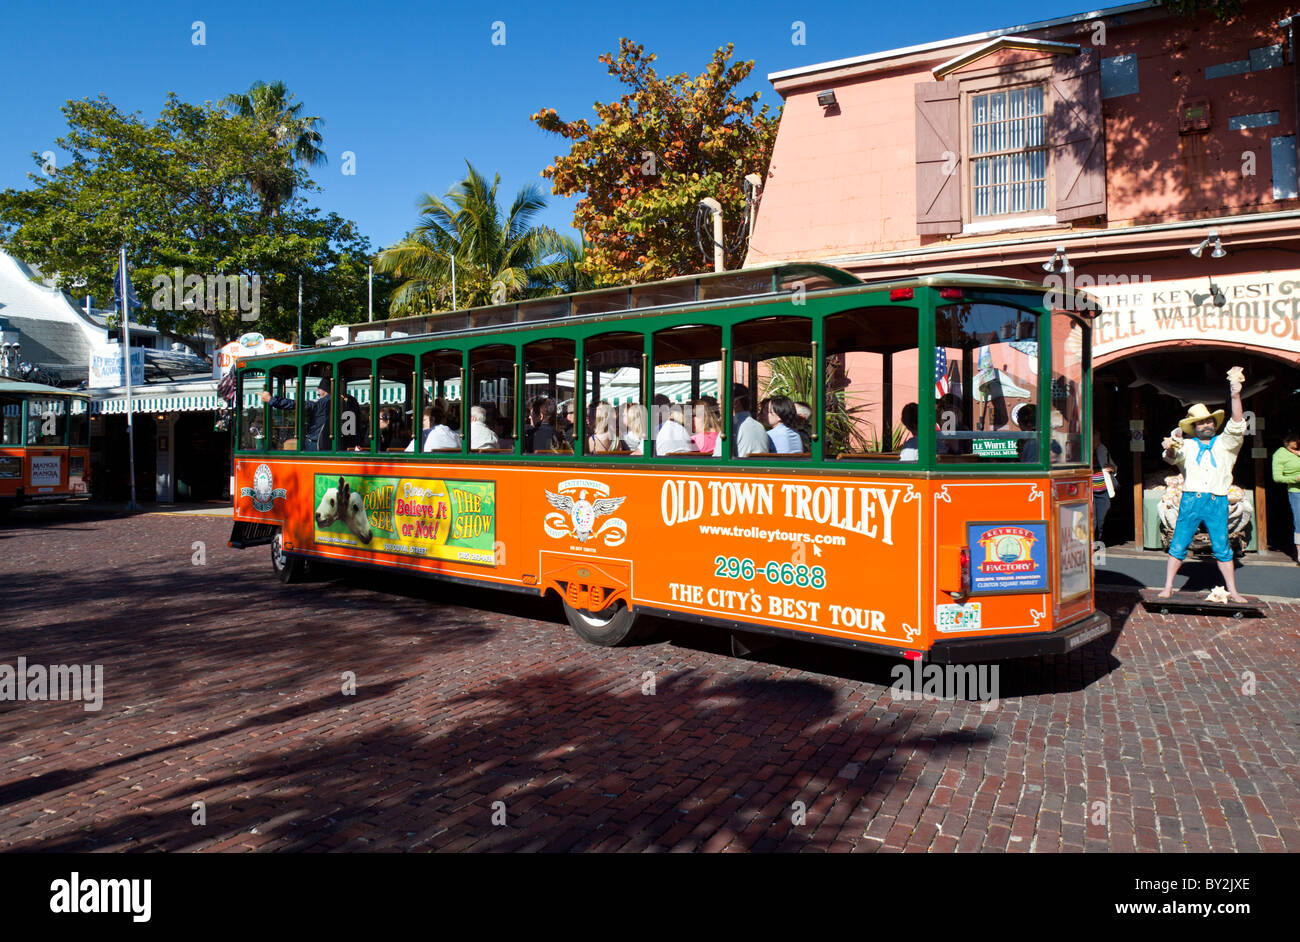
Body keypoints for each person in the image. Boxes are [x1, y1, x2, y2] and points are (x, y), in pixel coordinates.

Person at [1158, 367, 1248, 601]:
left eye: (1209, 422)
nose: (1206, 425)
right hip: (1191, 500)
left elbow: (1237, 423)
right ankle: (1168, 587)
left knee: (1222, 546)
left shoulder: (1226, 444)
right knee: (1178, 543)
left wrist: (1236, 396)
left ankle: (1234, 591)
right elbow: (1171, 457)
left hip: (1217, 500)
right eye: (1201, 424)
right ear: (1194, 428)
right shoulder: (1186, 445)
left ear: (1214, 424)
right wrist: (1170, 446)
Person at [261, 374, 332, 450]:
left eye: (319, 389)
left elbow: (297, 404)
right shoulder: (339, 401)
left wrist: (272, 400)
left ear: (322, 389)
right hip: (329, 444)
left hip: (316, 443)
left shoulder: (321, 403)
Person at [715, 384, 770, 457]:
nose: (719, 405)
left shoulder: (729, 428)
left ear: (735, 403)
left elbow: (718, 460)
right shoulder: (759, 426)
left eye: (723, 400)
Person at [1272, 429, 1300, 565]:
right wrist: (1295, 478)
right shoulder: (1280, 454)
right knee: (1299, 522)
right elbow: (1277, 477)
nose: (1296, 450)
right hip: (1297, 491)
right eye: (1293, 448)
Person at [1092, 430, 1118, 542]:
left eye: (1098, 440)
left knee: (1101, 519)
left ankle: (1098, 540)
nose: (1097, 443)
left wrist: (1112, 468)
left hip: (1103, 490)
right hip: (1090, 491)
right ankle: (1091, 543)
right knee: (1092, 520)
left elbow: (1114, 467)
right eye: (1094, 441)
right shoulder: (1082, 452)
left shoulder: (1103, 450)